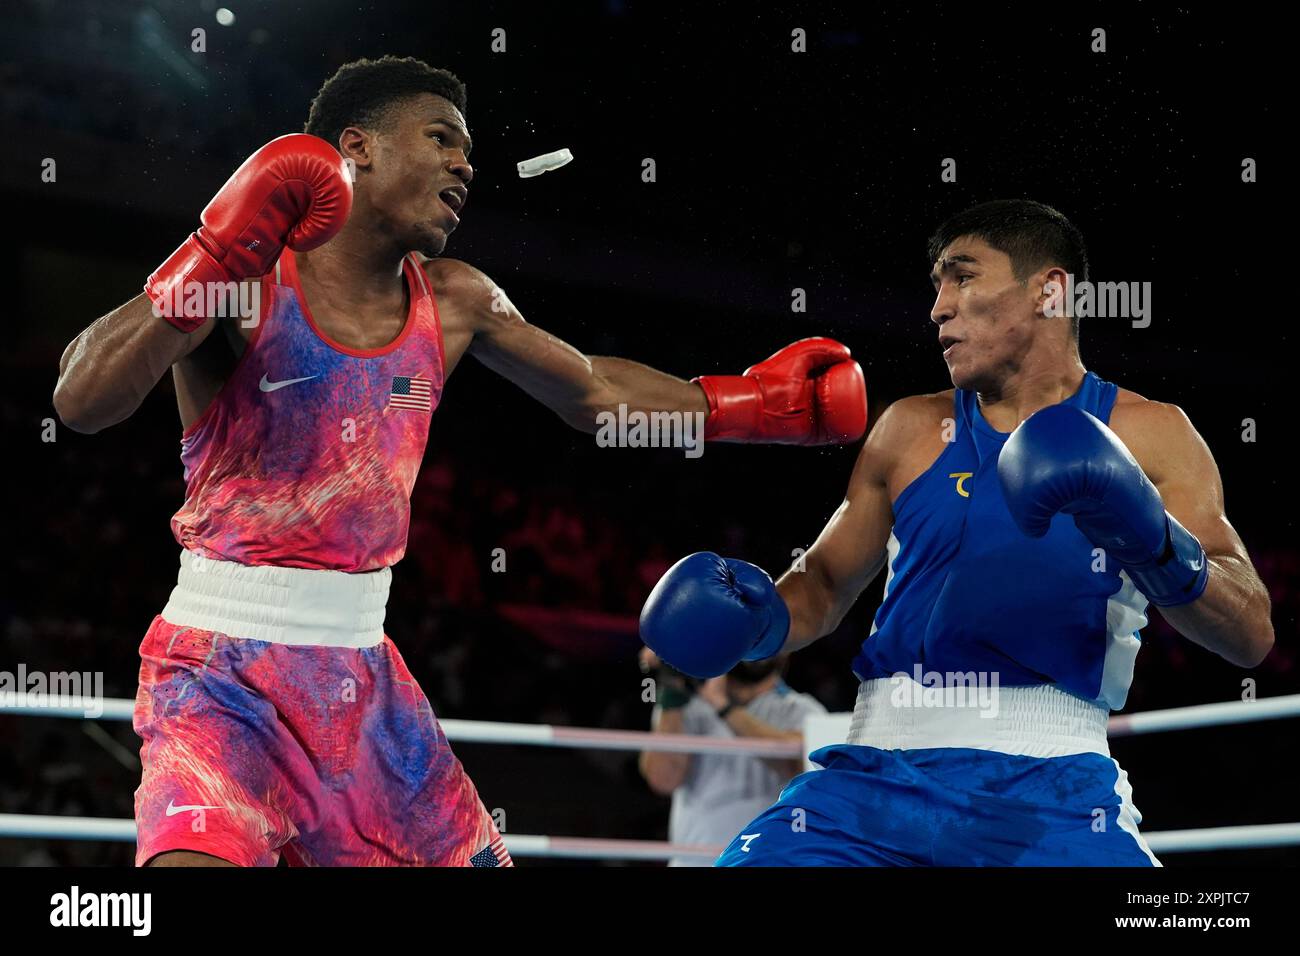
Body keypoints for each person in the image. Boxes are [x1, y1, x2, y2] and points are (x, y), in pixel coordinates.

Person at [51, 56, 867, 867]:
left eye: (468, 152)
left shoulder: (456, 298)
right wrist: (213, 251)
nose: (463, 165)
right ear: (356, 146)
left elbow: (593, 392)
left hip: (365, 682)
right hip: (219, 670)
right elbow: (82, 401)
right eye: (442, 139)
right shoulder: (251, 277)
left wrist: (753, 406)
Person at [639, 199, 1275, 866]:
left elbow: (1251, 632)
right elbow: (823, 586)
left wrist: (1153, 538)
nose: (939, 307)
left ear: (1049, 291)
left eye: (963, 278)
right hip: (871, 779)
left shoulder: (1152, 433)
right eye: (936, 284)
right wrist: (758, 618)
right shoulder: (909, 428)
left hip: (1053, 783)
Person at [637, 649, 825, 866]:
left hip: (767, 862)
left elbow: (796, 764)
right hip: (697, 861)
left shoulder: (801, 710)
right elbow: (663, 780)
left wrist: (723, 707)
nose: (755, 650)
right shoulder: (685, 708)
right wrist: (670, 691)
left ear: (784, 652)